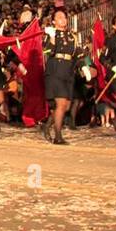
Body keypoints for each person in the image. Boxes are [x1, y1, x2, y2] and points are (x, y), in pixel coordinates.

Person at [40, 10, 83, 144]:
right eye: (59, 17)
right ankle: (58, 136)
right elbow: (47, 51)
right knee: (62, 103)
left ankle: (47, 125)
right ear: (53, 21)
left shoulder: (72, 36)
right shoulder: (50, 34)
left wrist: (85, 66)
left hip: (68, 71)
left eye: (64, 17)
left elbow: (78, 54)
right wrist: (52, 38)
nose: (63, 19)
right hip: (55, 71)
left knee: (67, 106)